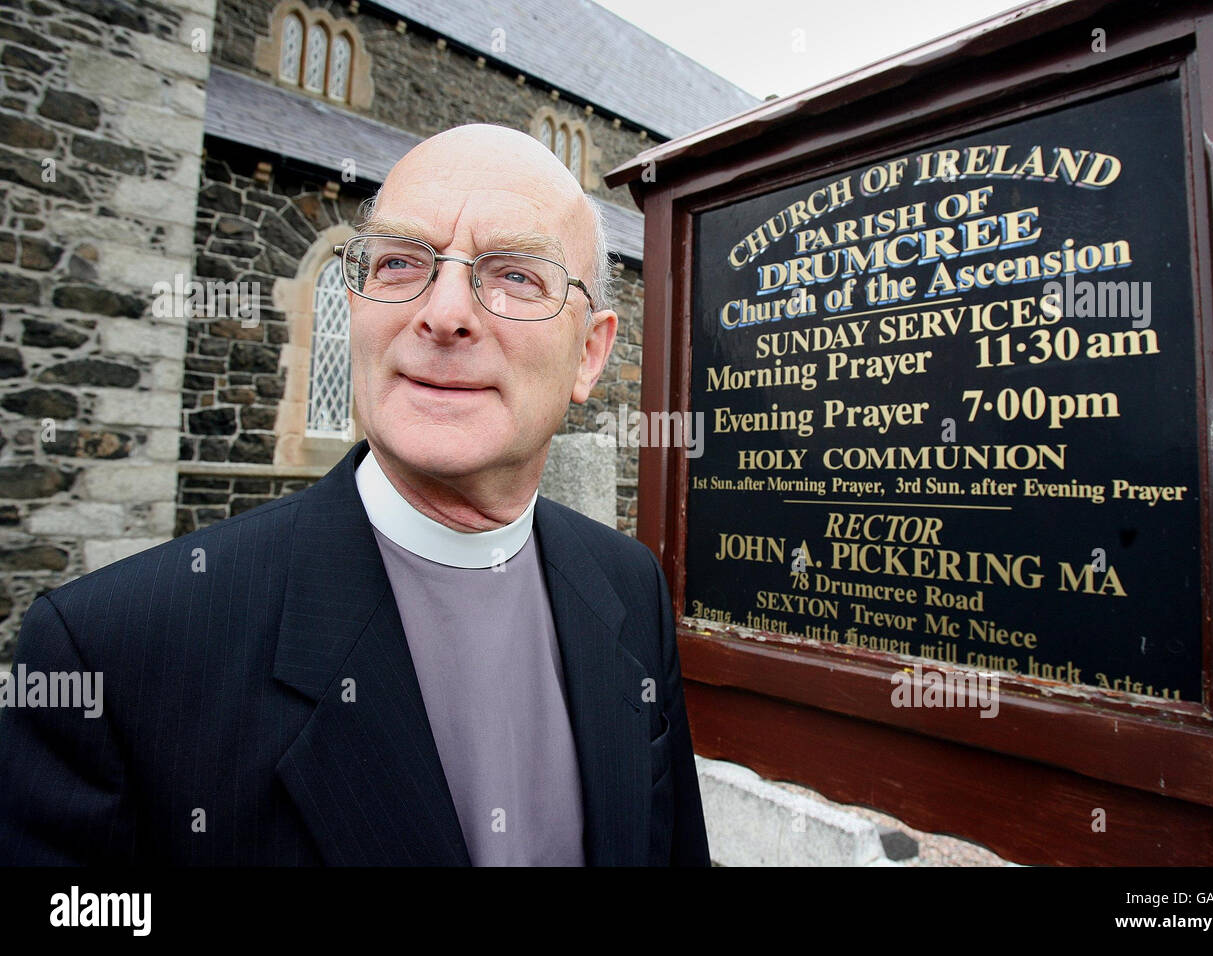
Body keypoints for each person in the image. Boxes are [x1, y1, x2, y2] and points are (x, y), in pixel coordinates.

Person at [0, 124, 710, 866]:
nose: (445, 313)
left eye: (515, 276)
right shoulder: (112, 653)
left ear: (590, 352)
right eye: (402, 263)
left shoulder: (628, 587)